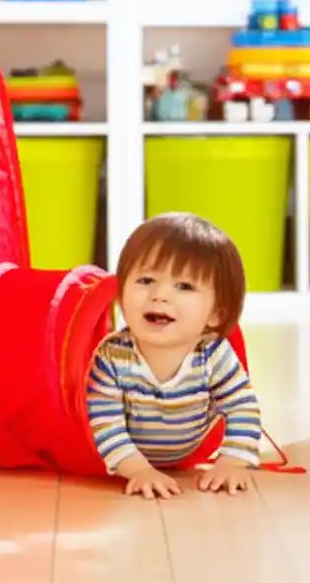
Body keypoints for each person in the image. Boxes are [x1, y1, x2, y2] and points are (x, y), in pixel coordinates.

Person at [86, 212, 262, 499]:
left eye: (184, 286)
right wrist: (139, 470)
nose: (160, 295)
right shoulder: (111, 357)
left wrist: (232, 461)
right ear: (120, 294)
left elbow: (243, 406)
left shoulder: (212, 353)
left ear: (216, 314)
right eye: (145, 280)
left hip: (190, 452)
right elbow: (105, 424)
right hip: (127, 458)